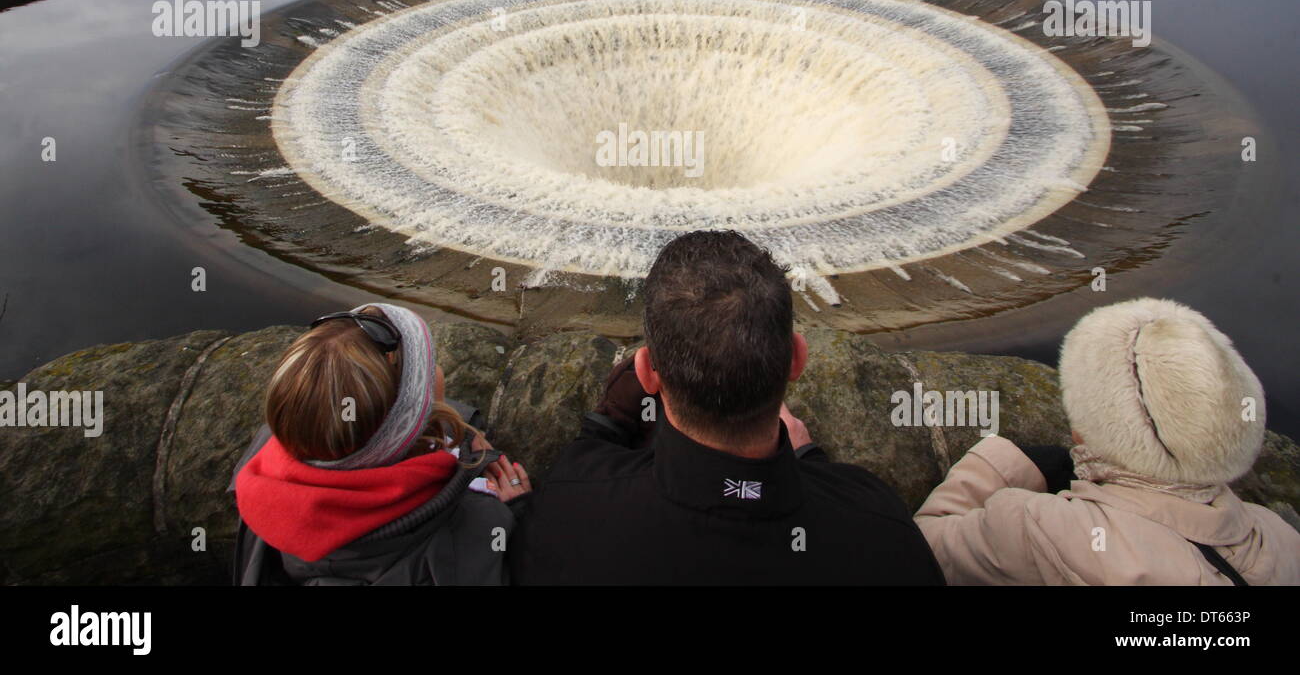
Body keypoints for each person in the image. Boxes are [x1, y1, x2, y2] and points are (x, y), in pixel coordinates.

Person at [509, 230, 945, 585]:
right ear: (796, 359)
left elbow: (570, 493)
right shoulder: (880, 530)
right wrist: (811, 460)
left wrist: (606, 425)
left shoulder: (572, 511)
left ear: (647, 373)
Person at [916, 297, 1300, 585]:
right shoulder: (1282, 539)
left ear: (1085, 430)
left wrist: (997, 460)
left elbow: (924, 547)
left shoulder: (1040, 528)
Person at [231, 303, 532, 585]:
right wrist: (519, 513)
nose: (436, 369)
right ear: (413, 415)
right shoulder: (475, 526)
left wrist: (458, 430)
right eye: (430, 365)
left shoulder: (266, 468)